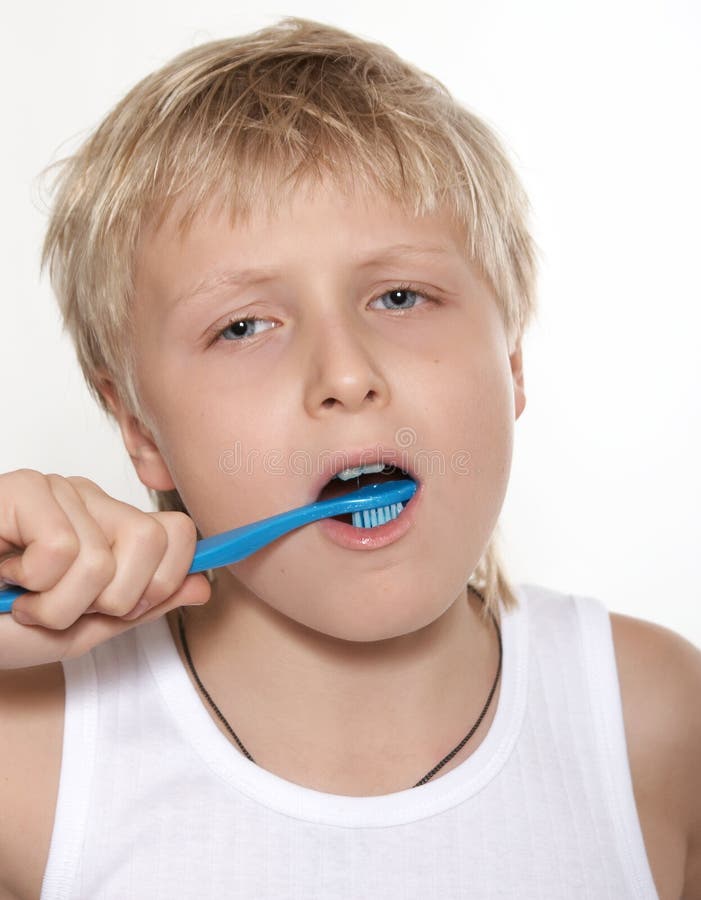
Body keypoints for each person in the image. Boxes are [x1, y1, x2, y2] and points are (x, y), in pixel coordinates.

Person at [0, 17, 698, 900]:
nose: (345, 374)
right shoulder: (31, 760)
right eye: (243, 325)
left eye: (400, 295)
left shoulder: (654, 719)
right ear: (137, 428)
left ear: (513, 360)